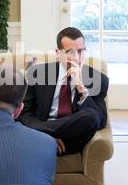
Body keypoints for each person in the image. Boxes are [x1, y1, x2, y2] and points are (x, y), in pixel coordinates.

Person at [19, 27, 110, 156]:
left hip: (70, 139)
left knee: (91, 115)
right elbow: (24, 113)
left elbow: (100, 120)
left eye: (80, 51)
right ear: (58, 53)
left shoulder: (98, 79)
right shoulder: (37, 73)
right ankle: (46, 138)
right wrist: (46, 136)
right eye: (70, 52)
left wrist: (80, 87)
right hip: (39, 137)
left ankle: (44, 136)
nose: (77, 58)